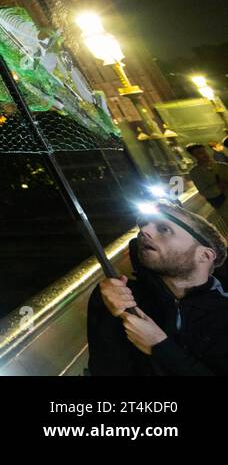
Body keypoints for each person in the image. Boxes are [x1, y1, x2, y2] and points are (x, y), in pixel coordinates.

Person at [87, 200, 228, 375]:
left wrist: (159, 346)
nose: (144, 231)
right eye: (143, 225)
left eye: (163, 229)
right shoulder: (120, 295)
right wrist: (109, 314)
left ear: (204, 256)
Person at [187, 144, 228, 209]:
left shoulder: (223, 166)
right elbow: (204, 192)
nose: (204, 154)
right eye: (199, 153)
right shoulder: (195, 173)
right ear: (194, 156)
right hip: (222, 205)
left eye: (204, 151)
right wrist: (219, 187)